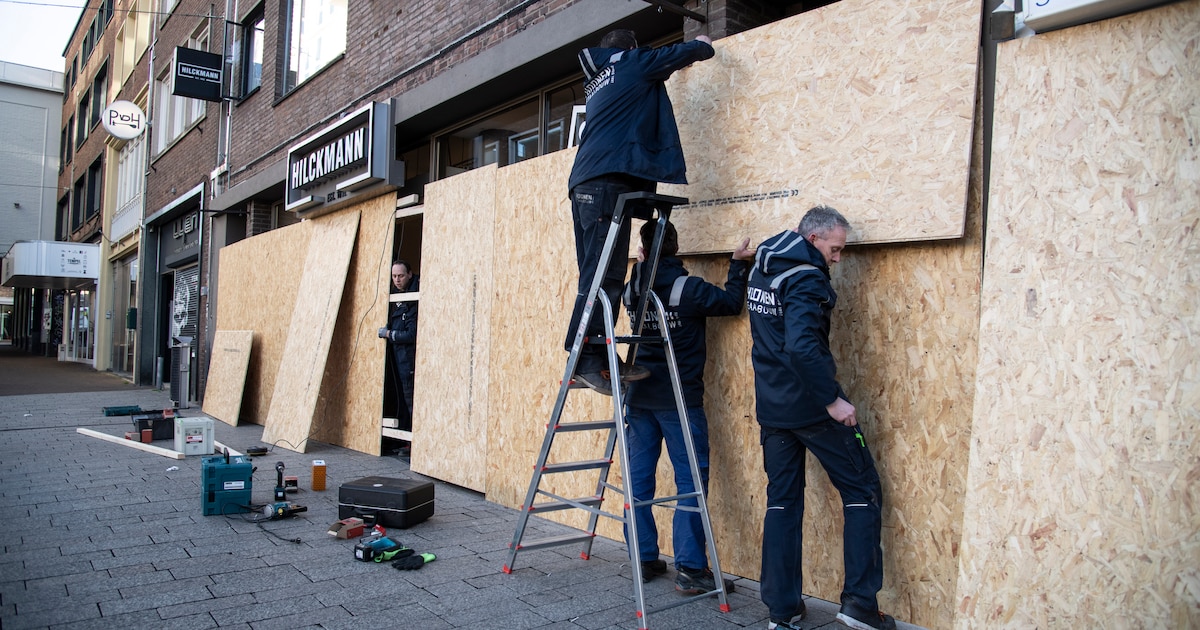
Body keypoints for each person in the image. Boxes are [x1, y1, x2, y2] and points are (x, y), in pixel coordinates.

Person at [746, 206, 895, 630]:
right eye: (835, 248)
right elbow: (802, 347)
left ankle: (782, 610)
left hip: (773, 409)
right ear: (813, 240)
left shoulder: (766, 261)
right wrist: (832, 401)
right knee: (863, 490)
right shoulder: (807, 278)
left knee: (782, 503)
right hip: (812, 407)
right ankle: (860, 605)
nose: (838, 257)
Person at [565, 28, 715, 395]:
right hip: (604, 183)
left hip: (585, 182)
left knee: (595, 273)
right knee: (607, 275)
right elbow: (686, 53)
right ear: (631, 47)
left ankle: (589, 357)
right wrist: (703, 43)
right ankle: (588, 361)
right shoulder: (630, 63)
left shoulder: (598, 78)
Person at [622, 219, 752, 595]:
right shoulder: (688, 288)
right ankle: (691, 570)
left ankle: (643, 559)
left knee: (639, 480)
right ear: (676, 250)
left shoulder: (632, 287)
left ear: (643, 251)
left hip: (640, 398)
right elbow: (730, 303)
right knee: (690, 484)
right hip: (679, 401)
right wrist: (738, 263)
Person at [378, 260, 419, 427]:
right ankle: (402, 440)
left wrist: (389, 334)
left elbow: (411, 333)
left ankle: (410, 444)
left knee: (411, 401)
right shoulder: (395, 295)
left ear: (409, 274)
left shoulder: (414, 297)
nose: (397, 279)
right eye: (394, 276)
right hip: (397, 360)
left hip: (408, 361)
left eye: (401, 275)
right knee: (400, 400)